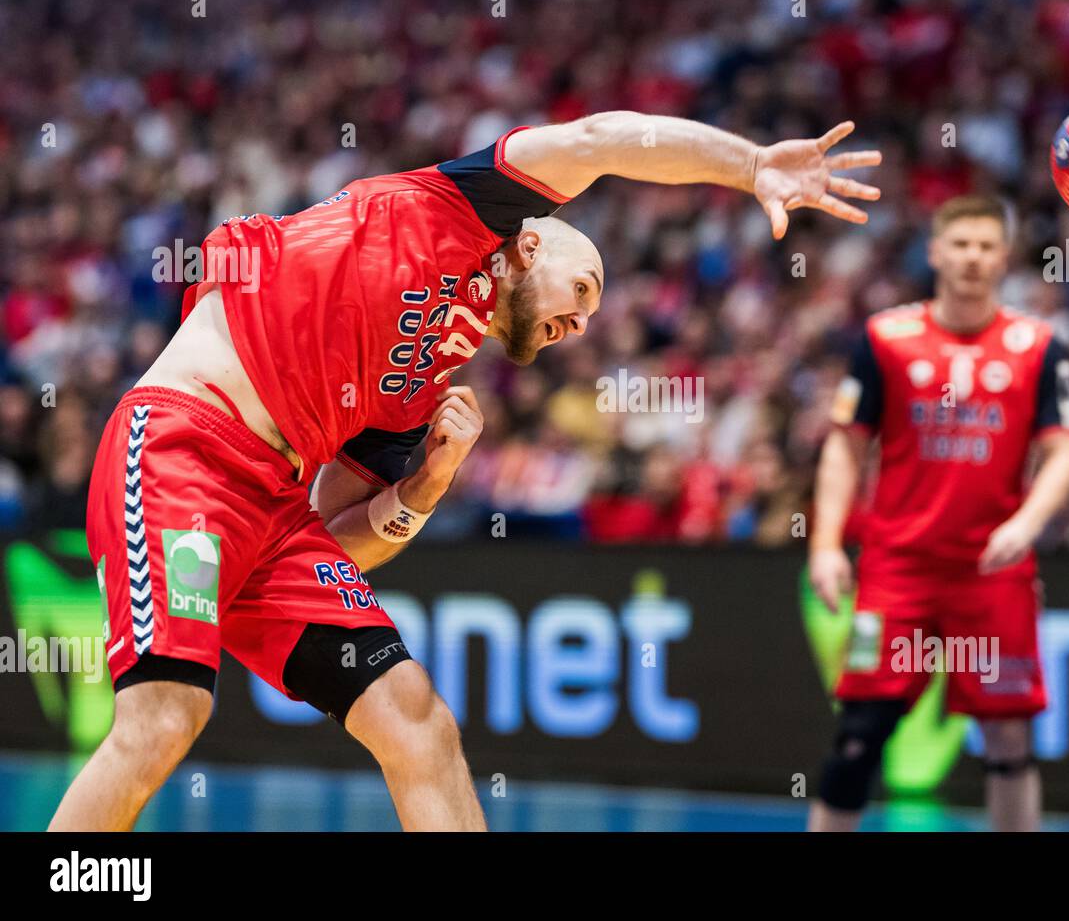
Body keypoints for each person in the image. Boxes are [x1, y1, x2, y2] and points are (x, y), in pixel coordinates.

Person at [48, 112, 882, 831]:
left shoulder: (422, 397)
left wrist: (424, 489)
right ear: (528, 243)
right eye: (580, 289)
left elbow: (334, 543)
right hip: (184, 446)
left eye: (591, 317)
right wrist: (749, 165)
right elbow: (604, 139)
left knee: (418, 720)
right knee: (166, 715)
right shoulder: (462, 205)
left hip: (271, 503)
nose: (581, 322)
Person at [806, 195, 1069, 832]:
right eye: (960, 245)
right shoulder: (886, 338)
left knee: (1009, 741)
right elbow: (845, 447)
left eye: (986, 246)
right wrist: (823, 544)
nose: (973, 258)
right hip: (897, 569)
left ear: (1004, 258)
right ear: (935, 252)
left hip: (991, 573)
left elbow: (1065, 452)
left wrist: (1026, 522)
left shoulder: (1039, 347)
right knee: (859, 734)